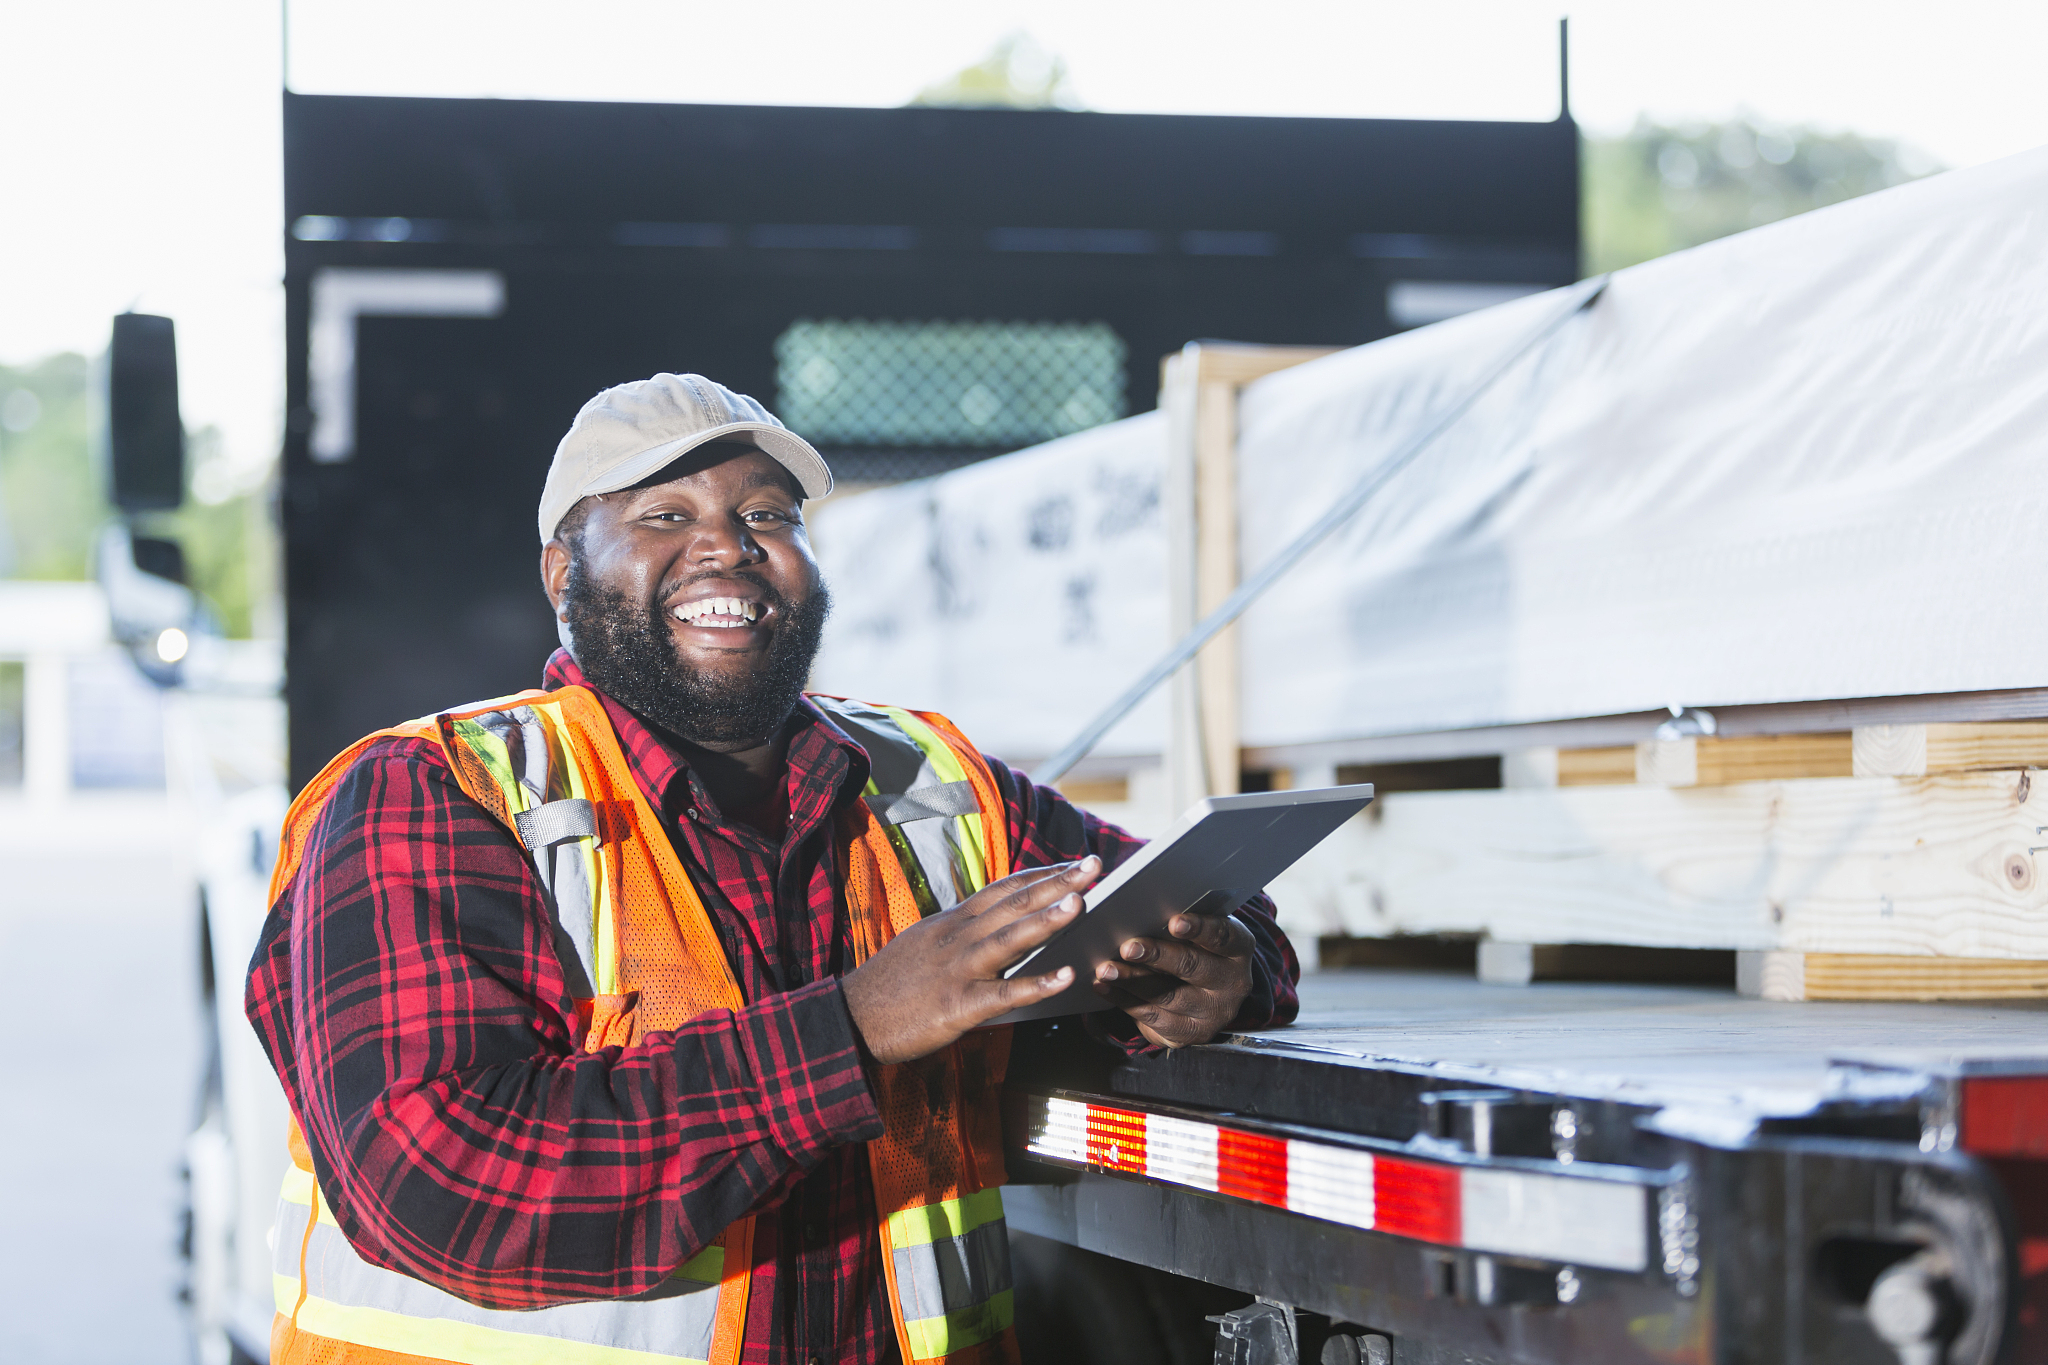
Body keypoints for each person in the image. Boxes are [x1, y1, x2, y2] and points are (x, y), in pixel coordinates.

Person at [246, 372, 1299, 1365]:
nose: (728, 549)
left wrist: (1210, 973)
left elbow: (1205, 906)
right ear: (564, 572)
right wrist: (854, 1025)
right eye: (664, 517)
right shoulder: (433, 793)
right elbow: (445, 1186)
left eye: (766, 516)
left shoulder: (928, 780)